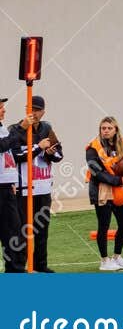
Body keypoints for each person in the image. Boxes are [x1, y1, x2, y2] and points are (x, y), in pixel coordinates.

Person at [16, 96, 62, 270]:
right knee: (22, 232)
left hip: (43, 189)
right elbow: (15, 156)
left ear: (43, 111)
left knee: (42, 231)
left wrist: (50, 152)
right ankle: (20, 268)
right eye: (30, 108)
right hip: (23, 190)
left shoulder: (47, 128)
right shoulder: (17, 129)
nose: (33, 113)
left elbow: (59, 155)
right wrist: (38, 148)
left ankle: (40, 265)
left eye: (37, 109)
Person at [85, 117, 123, 270]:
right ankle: (104, 260)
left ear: (116, 130)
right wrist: (119, 180)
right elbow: (97, 172)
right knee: (104, 226)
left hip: (121, 190)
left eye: (109, 128)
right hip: (102, 189)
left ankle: (117, 256)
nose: (106, 131)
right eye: (103, 128)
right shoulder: (93, 148)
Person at [0, 97, 26, 272]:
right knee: (11, 231)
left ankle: (15, 269)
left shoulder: (2, 127)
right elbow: (2, 146)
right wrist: (20, 129)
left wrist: (12, 181)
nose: (4, 110)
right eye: (1, 107)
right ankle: (15, 269)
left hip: (6, 186)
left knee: (13, 231)